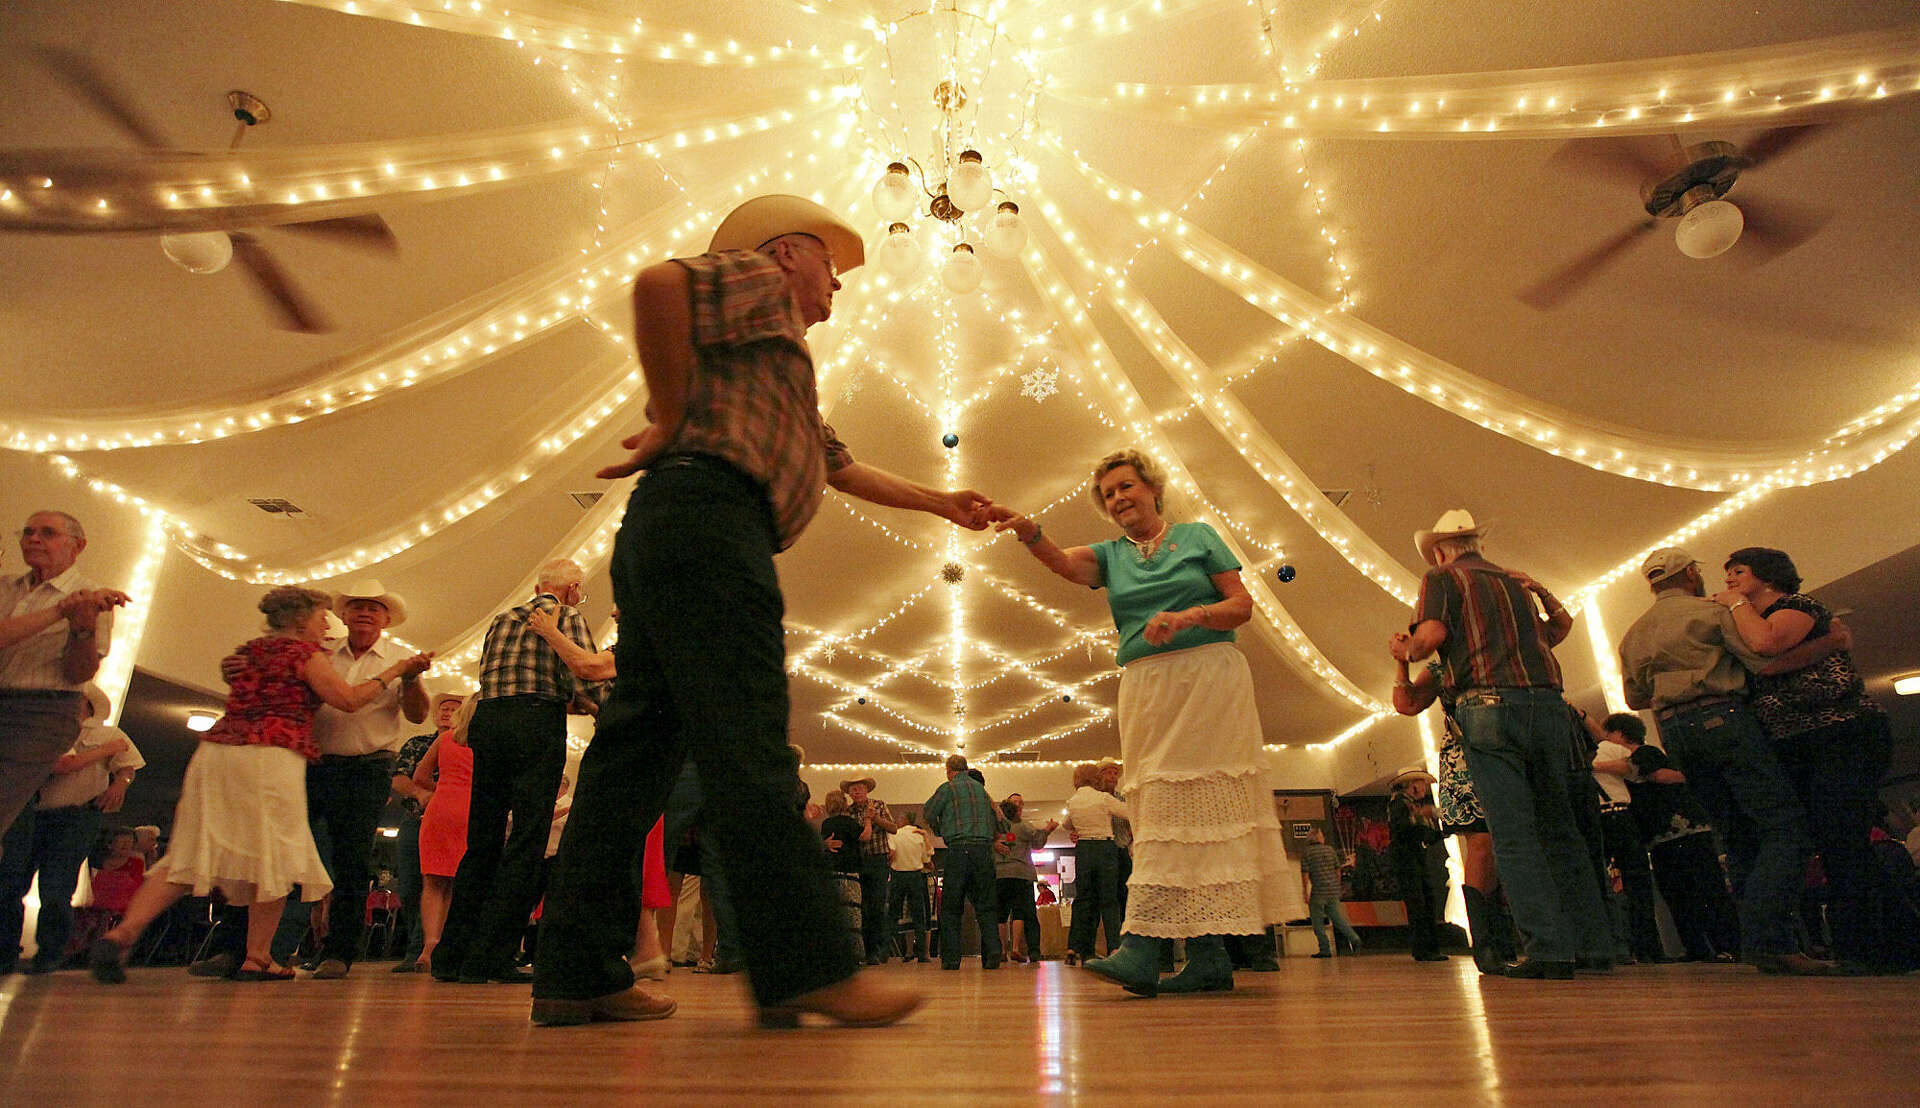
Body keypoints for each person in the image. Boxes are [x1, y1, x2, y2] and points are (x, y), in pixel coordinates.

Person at [531, 195, 992, 1029]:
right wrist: (672, 416)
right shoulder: (759, 281)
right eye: (829, 264)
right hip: (711, 520)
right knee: (747, 739)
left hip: (673, 527)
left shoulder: (767, 370)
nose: (837, 284)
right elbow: (659, 284)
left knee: (630, 760)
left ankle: (576, 973)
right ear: (786, 254)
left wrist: (942, 502)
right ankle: (808, 970)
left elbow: (839, 465)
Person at [989, 450, 1297, 997]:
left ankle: (1147, 949)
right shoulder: (1111, 556)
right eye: (1108, 494)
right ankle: (1205, 956)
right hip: (1147, 687)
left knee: (1204, 805)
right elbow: (1064, 563)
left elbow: (1241, 606)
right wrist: (1030, 532)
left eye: (1126, 486)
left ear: (1152, 488)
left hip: (1209, 677)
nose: (1118, 498)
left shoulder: (1198, 537)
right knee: (1159, 809)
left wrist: (1190, 616)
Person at [89, 586, 414, 983]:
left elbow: (236, 673)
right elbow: (347, 700)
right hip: (271, 757)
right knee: (275, 854)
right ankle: (257, 957)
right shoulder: (304, 654)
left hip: (216, 753)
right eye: (320, 618)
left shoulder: (250, 651)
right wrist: (395, 671)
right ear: (300, 621)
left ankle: (124, 933)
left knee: (190, 851)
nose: (327, 626)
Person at [1391, 509, 1610, 980]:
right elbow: (1557, 631)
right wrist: (1544, 592)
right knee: (1561, 829)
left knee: (1512, 833)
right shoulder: (1514, 583)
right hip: (1547, 706)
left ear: (1440, 550)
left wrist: (1404, 650)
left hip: (1488, 705)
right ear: (1478, 544)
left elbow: (1429, 639)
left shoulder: (1441, 578)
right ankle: (1593, 945)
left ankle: (1549, 951)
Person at [1617, 547, 1828, 975]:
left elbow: (1635, 697)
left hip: (1674, 730)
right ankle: (1769, 937)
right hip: (1722, 716)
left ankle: (1762, 945)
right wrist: (1828, 642)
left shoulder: (1632, 635)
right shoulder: (1711, 612)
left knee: (1735, 833)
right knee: (1784, 825)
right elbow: (1760, 658)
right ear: (1690, 574)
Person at [1716, 547, 1911, 974]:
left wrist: (1734, 605)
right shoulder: (1745, 620)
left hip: (1841, 732)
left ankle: (1868, 949)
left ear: (1767, 576)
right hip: (1798, 743)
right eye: (1728, 573)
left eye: (1738, 571)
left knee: (1843, 838)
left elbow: (1767, 645)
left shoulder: (1795, 606)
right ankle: (1894, 943)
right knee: (1836, 840)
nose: (1729, 579)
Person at [434, 560, 603, 985]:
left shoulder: (503, 618)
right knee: (528, 839)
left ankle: (451, 957)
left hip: (490, 720)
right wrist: (599, 707)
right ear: (573, 588)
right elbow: (584, 678)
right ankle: (491, 957)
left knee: (483, 839)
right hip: (536, 720)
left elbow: (490, 675)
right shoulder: (568, 616)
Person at [295, 578, 433, 979]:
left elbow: (417, 715)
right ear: (344, 614)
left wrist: (410, 678)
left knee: (352, 860)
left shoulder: (401, 659)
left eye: (374, 607)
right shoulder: (321, 653)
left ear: (386, 619)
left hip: (368, 768)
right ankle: (266, 949)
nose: (365, 613)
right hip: (313, 764)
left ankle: (339, 952)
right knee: (290, 852)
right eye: (358, 605)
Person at [1, 510, 128, 852]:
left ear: (78, 546)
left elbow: (79, 674)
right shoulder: (5, 587)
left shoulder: (91, 597)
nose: (34, 539)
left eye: (48, 533)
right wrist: (61, 610)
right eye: (28, 532)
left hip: (40, 713)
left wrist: (82, 627)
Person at [0, 682, 142, 974]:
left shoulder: (108, 733)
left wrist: (120, 784)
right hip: (33, 814)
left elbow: (127, 765)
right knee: (13, 882)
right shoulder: (50, 733)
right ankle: (7, 951)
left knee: (57, 885)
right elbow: (63, 765)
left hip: (77, 816)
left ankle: (49, 955)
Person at [1389, 645, 1513, 975]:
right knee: (1482, 844)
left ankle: (1508, 939)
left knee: (1508, 846)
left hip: (1507, 747)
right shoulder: (1443, 666)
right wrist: (1401, 664)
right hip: (1468, 752)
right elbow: (1407, 703)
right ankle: (1489, 943)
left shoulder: (1505, 652)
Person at [1595, 713, 1740, 962]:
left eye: (1608, 734)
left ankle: (1726, 946)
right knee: (1679, 893)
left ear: (1620, 733)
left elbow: (1653, 774)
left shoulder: (1644, 753)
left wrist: (1594, 765)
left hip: (1680, 829)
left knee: (1701, 889)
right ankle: (1703, 948)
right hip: (1665, 835)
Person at [1581, 709, 1667, 963]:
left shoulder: (1569, 755)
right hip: (1620, 815)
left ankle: (1615, 947)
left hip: (1595, 819)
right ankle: (1649, 949)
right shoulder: (1611, 749)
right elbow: (1632, 769)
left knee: (1600, 883)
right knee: (1637, 882)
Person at [390, 691, 464, 972]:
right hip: (415, 818)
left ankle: (428, 950)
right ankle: (420, 948)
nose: (447, 712)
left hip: (452, 819)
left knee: (445, 884)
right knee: (410, 886)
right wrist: (423, 794)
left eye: (454, 709)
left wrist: (445, 794)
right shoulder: (417, 743)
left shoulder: (469, 743)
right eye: (443, 708)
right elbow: (400, 778)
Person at [923, 754, 1009, 970]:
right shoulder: (982, 791)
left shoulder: (947, 788)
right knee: (986, 905)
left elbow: (928, 812)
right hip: (983, 852)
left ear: (949, 771)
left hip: (958, 850)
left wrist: (940, 829)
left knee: (951, 907)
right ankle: (993, 953)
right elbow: (1003, 824)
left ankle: (952, 959)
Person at [412, 696, 477, 973]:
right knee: (458, 881)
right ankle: (452, 946)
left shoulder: (445, 739)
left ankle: (430, 944)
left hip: (441, 807)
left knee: (433, 882)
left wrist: (444, 787)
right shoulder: (488, 742)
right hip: (472, 810)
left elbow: (419, 777)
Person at [1062, 763, 1129, 967]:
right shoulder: (1103, 798)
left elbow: (1066, 824)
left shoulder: (1073, 801)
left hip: (1083, 849)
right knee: (1109, 900)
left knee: (1083, 900)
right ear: (1096, 778)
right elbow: (1127, 813)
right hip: (1105, 848)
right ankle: (1114, 947)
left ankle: (1074, 947)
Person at [1387, 767, 1450, 962]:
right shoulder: (1399, 804)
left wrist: (1443, 832)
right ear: (1411, 785)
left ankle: (1428, 948)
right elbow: (1401, 828)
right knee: (1419, 904)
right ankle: (1424, 949)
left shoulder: (1412, 805)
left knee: (1426, 902)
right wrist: (1423, 815)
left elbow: (1425, 835)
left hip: (1416, 859)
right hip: (1407, 861)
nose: (1424, 788)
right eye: (1421, 784)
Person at [841, 776, 899, 966]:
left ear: (867, 790)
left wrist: (876, 819)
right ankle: (866, 950)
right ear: (849, 793)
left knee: (877, 905)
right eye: (853, 789)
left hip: (878, 860)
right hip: (857, 862)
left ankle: (876, 950)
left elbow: (894, 828)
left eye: (860, 788)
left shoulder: (879, 805)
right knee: (861, 906)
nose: (857, 791)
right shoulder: (847, 811)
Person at [995, 795, 1056, 964]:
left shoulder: (994, 827)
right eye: (1016, 802)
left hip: (999, 874)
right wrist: (1048, 830)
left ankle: (1001, 950)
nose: (1019, 805)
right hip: (1021, 874)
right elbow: (1037, 842)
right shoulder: (1023, 826)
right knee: (1022, 913)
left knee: (1000, 914)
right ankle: (1017, 949)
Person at [818, 790, 866, 960]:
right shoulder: (849, 822)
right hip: (850, 872)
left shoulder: (826, 824)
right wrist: (869, 820)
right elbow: (865, 836)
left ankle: (835, 953)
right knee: (853, 912)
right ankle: (855, 952)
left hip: (832, 873)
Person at [1300, 827, 1361, 958]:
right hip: (1333, 890)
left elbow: (1305, 874)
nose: (1324, 837)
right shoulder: (1330, 850)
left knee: (1317, 922)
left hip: (1318, 891)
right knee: (1337, 918)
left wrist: (1305, 891)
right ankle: (1354, 938)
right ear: (1319, 838)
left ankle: (1325, 949)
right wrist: (1337, 886)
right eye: (1322, 835)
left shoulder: (1307, 853)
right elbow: (1337, 869)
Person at [887, 812, 933, 963]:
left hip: (898, 876)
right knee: (919, 915)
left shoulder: (894, 834)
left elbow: (891, 853)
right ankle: (922, 954)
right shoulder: (919, 835)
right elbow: (927, 858)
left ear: (903, 819)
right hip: (915, 876)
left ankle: (884, 952)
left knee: (893, 914)